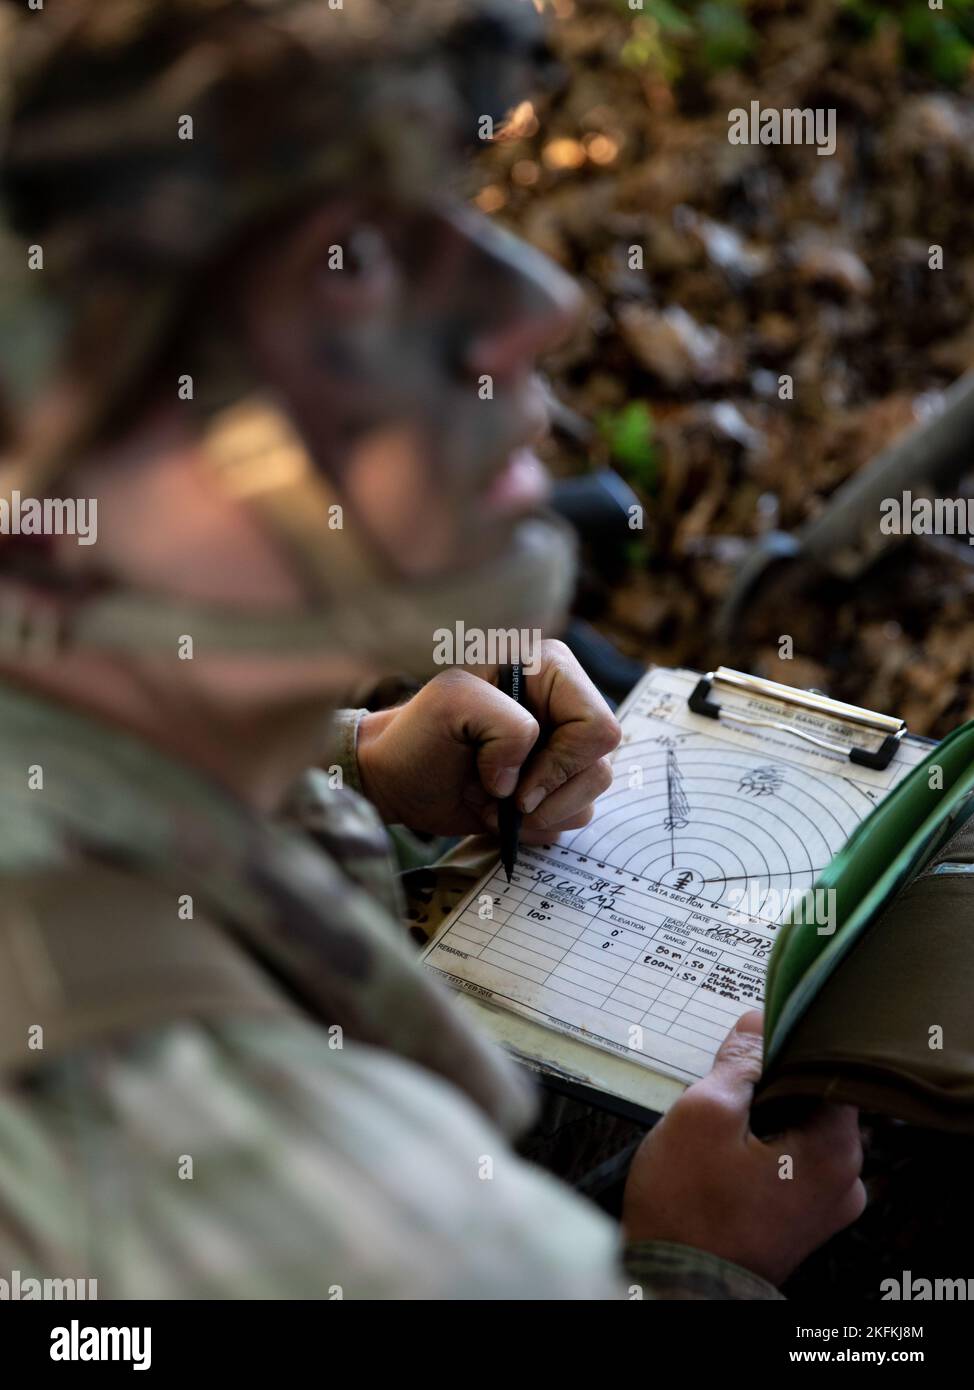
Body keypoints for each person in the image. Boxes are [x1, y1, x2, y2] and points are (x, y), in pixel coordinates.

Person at [0, 0, 865, 1299]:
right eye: (344, 266)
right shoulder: (371, 1233)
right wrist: (689, 1267)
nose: (541, 305)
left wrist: (354, 772)